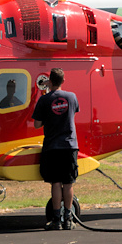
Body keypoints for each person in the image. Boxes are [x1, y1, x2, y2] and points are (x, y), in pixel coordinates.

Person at [32, 68, 80, 230]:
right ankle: (68, 218)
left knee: (56, 183)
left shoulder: (44, 100)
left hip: (52, 146)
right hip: (70, 146)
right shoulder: (72, 97)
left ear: (49, 81)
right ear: (63, 81)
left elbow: (37, 124)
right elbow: (71, 114)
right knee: (68, 183)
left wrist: (46, 93)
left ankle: (56, 220)